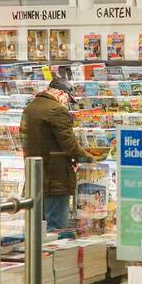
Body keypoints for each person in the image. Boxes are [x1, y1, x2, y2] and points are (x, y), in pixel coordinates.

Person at [19, 78, 96, 232]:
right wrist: (91, 158)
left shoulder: (30, 108)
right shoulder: (57, 110)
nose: (66, 103)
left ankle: (37, 257)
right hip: (55, 181)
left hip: (34, 180)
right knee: (55, 230)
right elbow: (70, 146)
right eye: (67, 99)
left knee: (35, 231)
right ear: (61, 94)